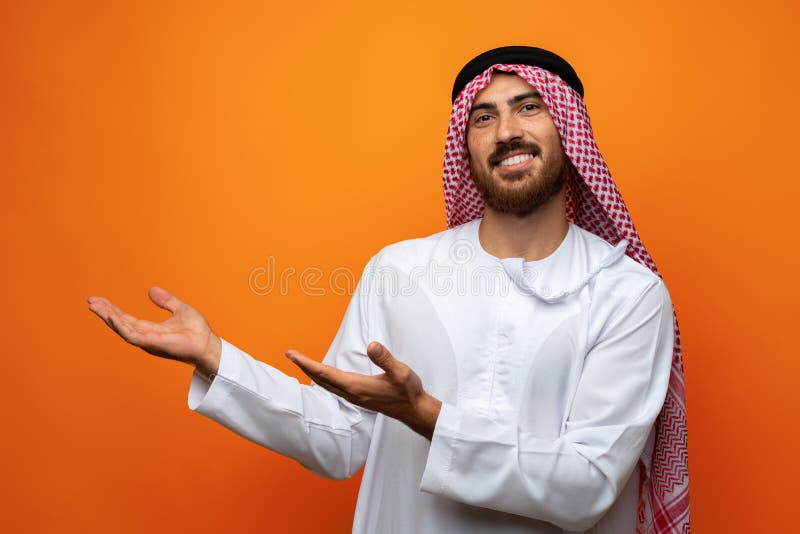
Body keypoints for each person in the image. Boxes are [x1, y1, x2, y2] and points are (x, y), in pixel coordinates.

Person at [88, 46, 689, 533]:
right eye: (484, 116)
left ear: (570, 127)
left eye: (529, 108)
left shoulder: (629, 296)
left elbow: (586, 486)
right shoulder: (402, 271)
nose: (507, 131)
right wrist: (216, 358)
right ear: (466, 142)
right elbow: (341, 437)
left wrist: (428, 417)